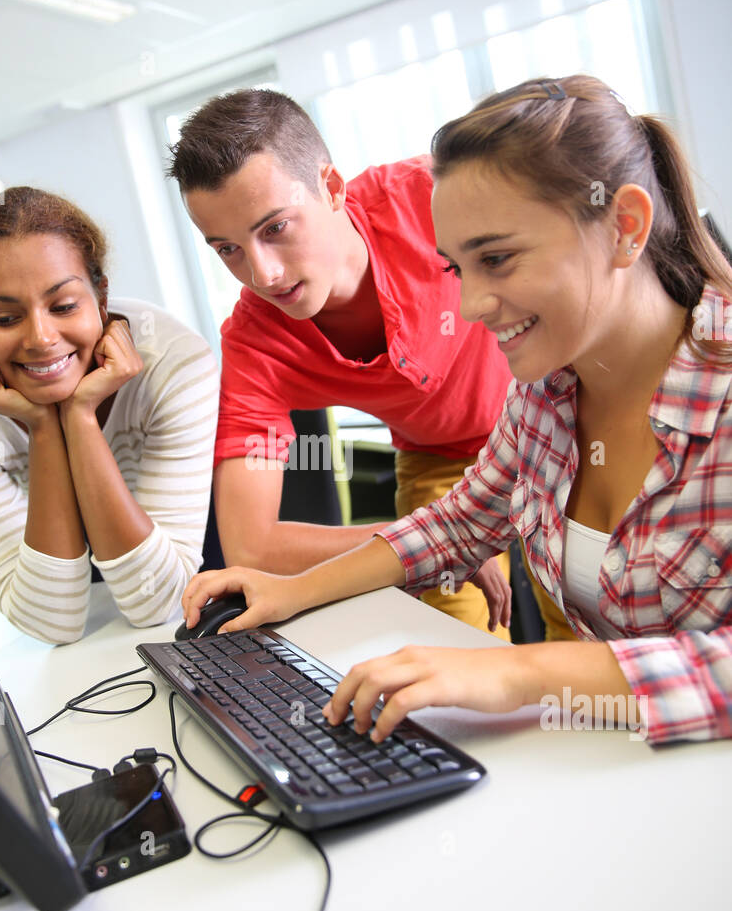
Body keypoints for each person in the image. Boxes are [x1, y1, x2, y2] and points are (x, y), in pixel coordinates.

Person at [181, 75, 732, 746]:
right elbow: (457, 523)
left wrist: (524, 673)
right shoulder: (549, 390)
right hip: (440, 454)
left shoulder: (430, 199)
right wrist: (293, 591)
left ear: (624, 227)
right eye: (458, 269)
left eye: (497, 259)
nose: (469, 307)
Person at [169, 88, 540, 641]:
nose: (262, 274)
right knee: (461, 652)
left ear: (332, 188)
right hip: (442, 463)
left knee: (592, 627)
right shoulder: (253, 345)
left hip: (555, 419)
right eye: (228, 249)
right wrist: (433, 534)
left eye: (275, 228)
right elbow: (251, 547)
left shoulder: (434, 193)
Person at [0, 187, 218, 644]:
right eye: (5, 318)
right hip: (79, 631)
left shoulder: (174, 362)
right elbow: (50, 624)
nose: (41, 337)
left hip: (189, 593)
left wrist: (79, 415)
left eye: (64, 306)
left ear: (101, 298)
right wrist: (45, 427)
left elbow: (160, 604)